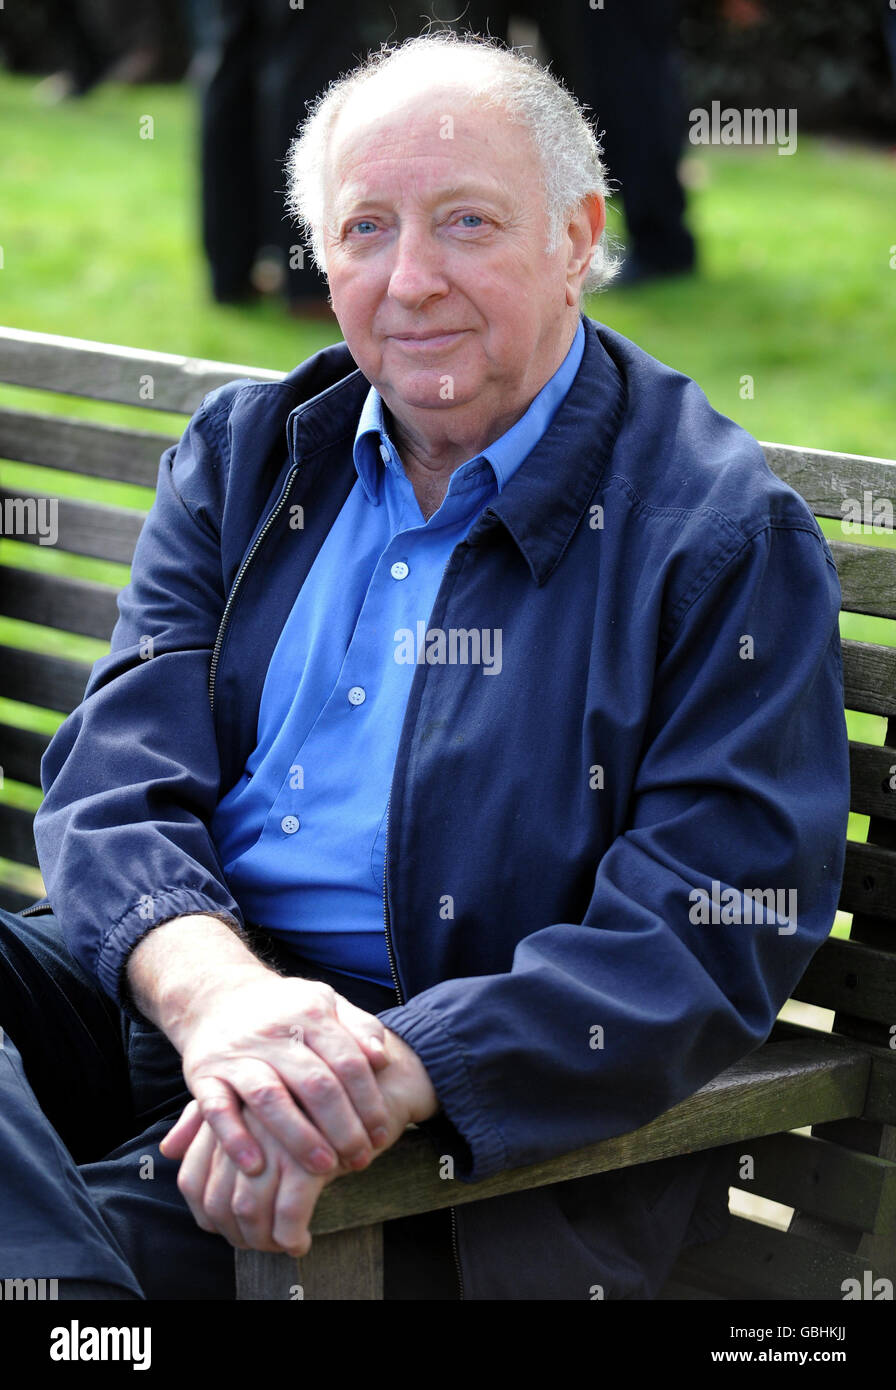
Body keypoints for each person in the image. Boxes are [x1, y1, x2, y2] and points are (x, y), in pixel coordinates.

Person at [3, 30, 848, 1301]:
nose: (408, 283)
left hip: (451, 1130)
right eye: (363, 231)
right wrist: (220, 1001)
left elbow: (698, 932)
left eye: (465, 223)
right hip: (193, 988)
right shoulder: (252, 454)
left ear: (577, 236)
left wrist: (380, 1071)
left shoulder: (710, 536)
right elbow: (118, 776)